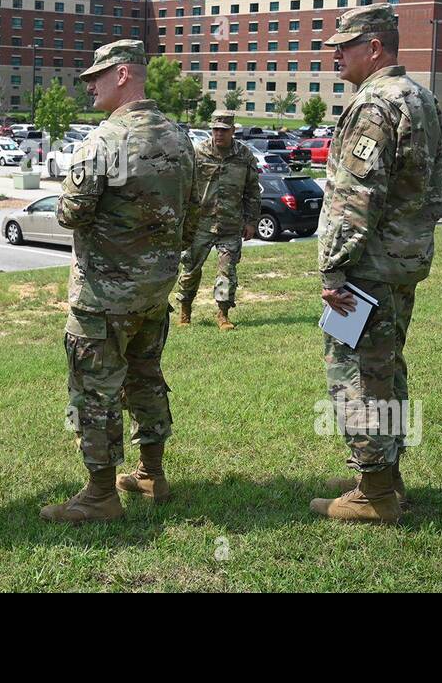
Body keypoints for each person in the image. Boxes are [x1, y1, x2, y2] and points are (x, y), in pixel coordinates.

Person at [309, 5, 442, 524]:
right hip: (401, 260)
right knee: (388, 365)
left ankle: (373, 493)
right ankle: (385, 474)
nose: (334, 54)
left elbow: (355, 195)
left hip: (368, 266)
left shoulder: (373, 103)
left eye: (343, 45)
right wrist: (422, 215)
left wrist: (333, 268)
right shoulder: (421, 97)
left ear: (375, 47)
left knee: (358, 372)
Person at [40, 39, 196, 522]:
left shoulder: (105, 141)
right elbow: (191, 215)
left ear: (124, 75)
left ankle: (100, 494)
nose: (88, 84)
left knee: (96, 394)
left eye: (97, 75)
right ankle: (151, 472)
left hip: (103, 298)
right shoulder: (178, 136)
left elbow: (69, 213)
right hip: (154, 292)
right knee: (146, 378)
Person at [175, 110, 260, 330]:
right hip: (199, 224)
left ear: (233, 131)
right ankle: (185, 311)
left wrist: (251, 221)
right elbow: (184, 187)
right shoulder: (198, 153)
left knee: (227, 272)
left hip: (230, 225)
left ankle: (222, 314)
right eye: (215, 130)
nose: (218, 134)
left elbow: (252, 192)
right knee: (190, 269)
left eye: (223, 130)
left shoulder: (244, 156)